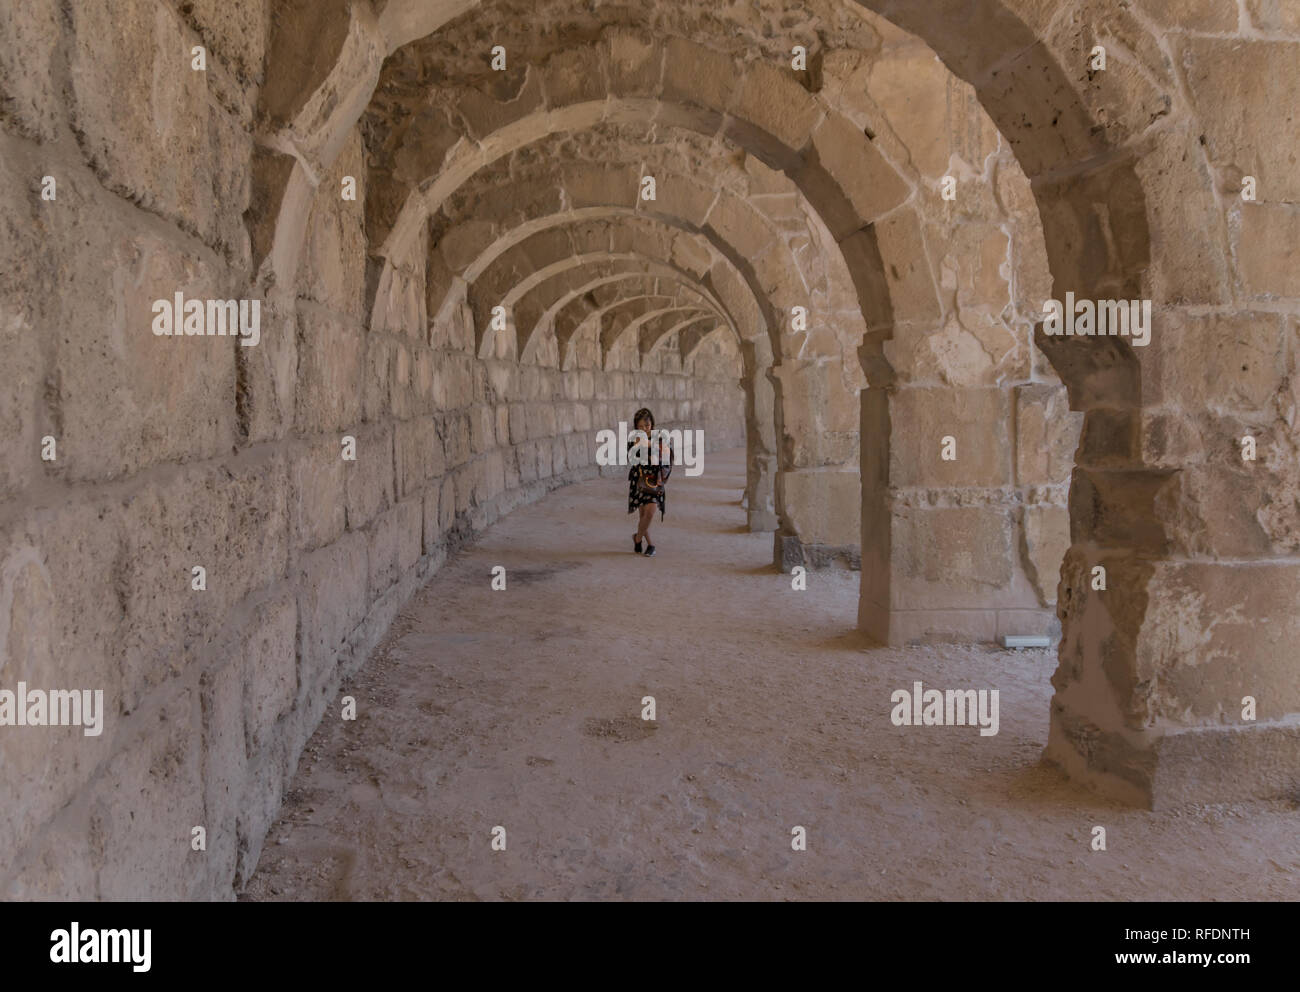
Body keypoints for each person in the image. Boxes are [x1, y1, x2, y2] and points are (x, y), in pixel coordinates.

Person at [627, 407, 671, 557]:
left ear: (652, 424)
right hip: (639, 481)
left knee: (651, 511)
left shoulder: (660, 438)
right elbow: (632, 461)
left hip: (655, 480)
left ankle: (637, 538)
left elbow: (667, 457)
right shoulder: (633, 440)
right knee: (643, 515)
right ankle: (650, 544)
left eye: (647, 425)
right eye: (640, 426)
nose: (644, 429)